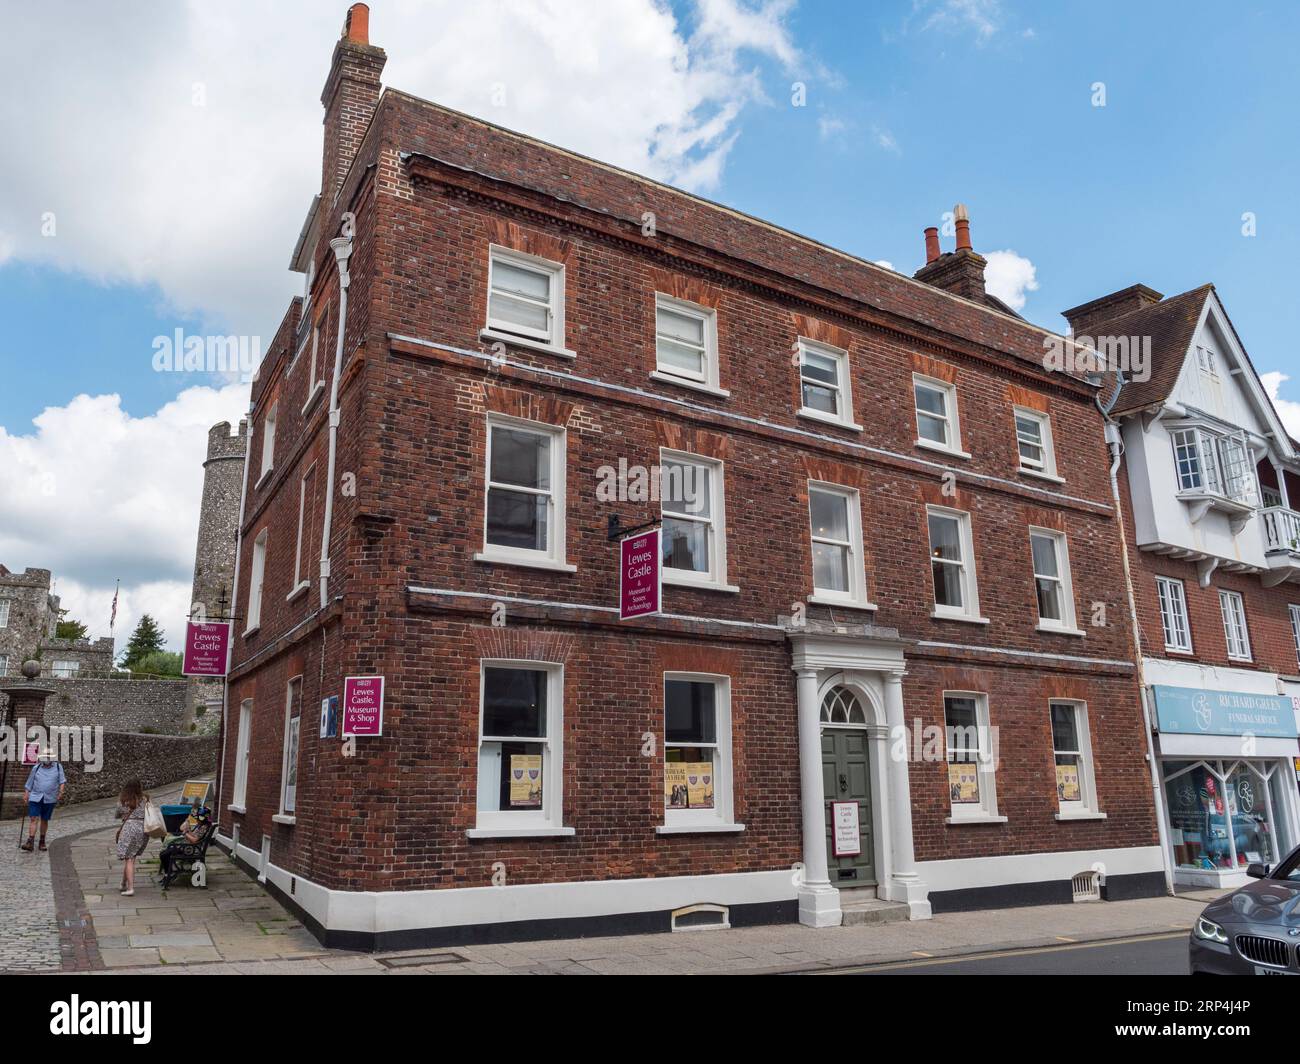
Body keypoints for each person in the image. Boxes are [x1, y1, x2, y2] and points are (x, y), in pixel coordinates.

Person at [20, 748, 66, 852]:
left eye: (49, 756)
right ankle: (30, 842)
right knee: (33, 818)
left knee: (44, 819)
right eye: (46, 756)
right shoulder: (36, 768)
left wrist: (61, 792)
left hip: (50, 798)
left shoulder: (58, 767)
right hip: (35, 797)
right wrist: (26, 793)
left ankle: (42, 841)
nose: (47, 758)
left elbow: (62, 781)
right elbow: (29, 782)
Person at [158, 805, 213, 887]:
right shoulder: (201, 825)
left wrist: (185, 833)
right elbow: (194, 835)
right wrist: (188, 829)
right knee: (164, 853)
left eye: (198, 818)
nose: (197, 819)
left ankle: (170, 873)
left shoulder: (203, 827)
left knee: (164, 854)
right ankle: (168, 873)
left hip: (190, 849)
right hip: (188, 846)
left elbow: (194, 840)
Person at [115, 779, 149, 896]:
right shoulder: (145, 799)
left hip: (129, 829)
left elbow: (117, 814)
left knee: (129, 859)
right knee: (131, 857)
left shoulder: (123, 801)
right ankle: (123, 883)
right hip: (142, 830)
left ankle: (130, 888)